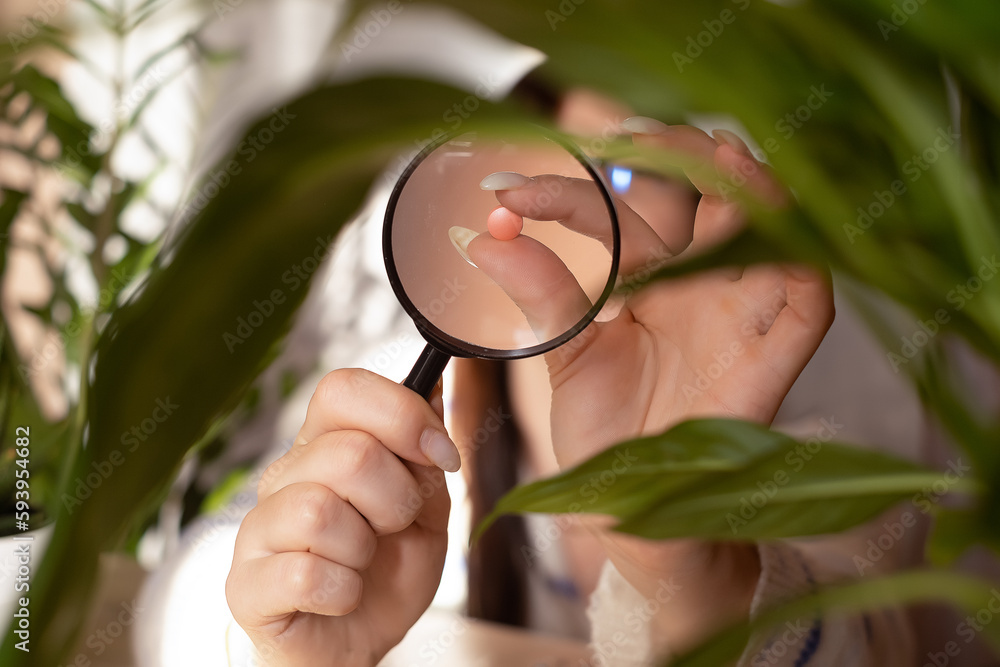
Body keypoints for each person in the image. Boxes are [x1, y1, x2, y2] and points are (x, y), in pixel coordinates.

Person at [224, 114, 929, 666]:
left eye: (623, 172)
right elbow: (210, 590)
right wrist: (312, 655)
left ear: (700, 232)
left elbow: (869, 644)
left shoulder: (821, 471)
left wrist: (677, 551)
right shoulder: (383, 436)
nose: (561, 210)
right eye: (518, 174)